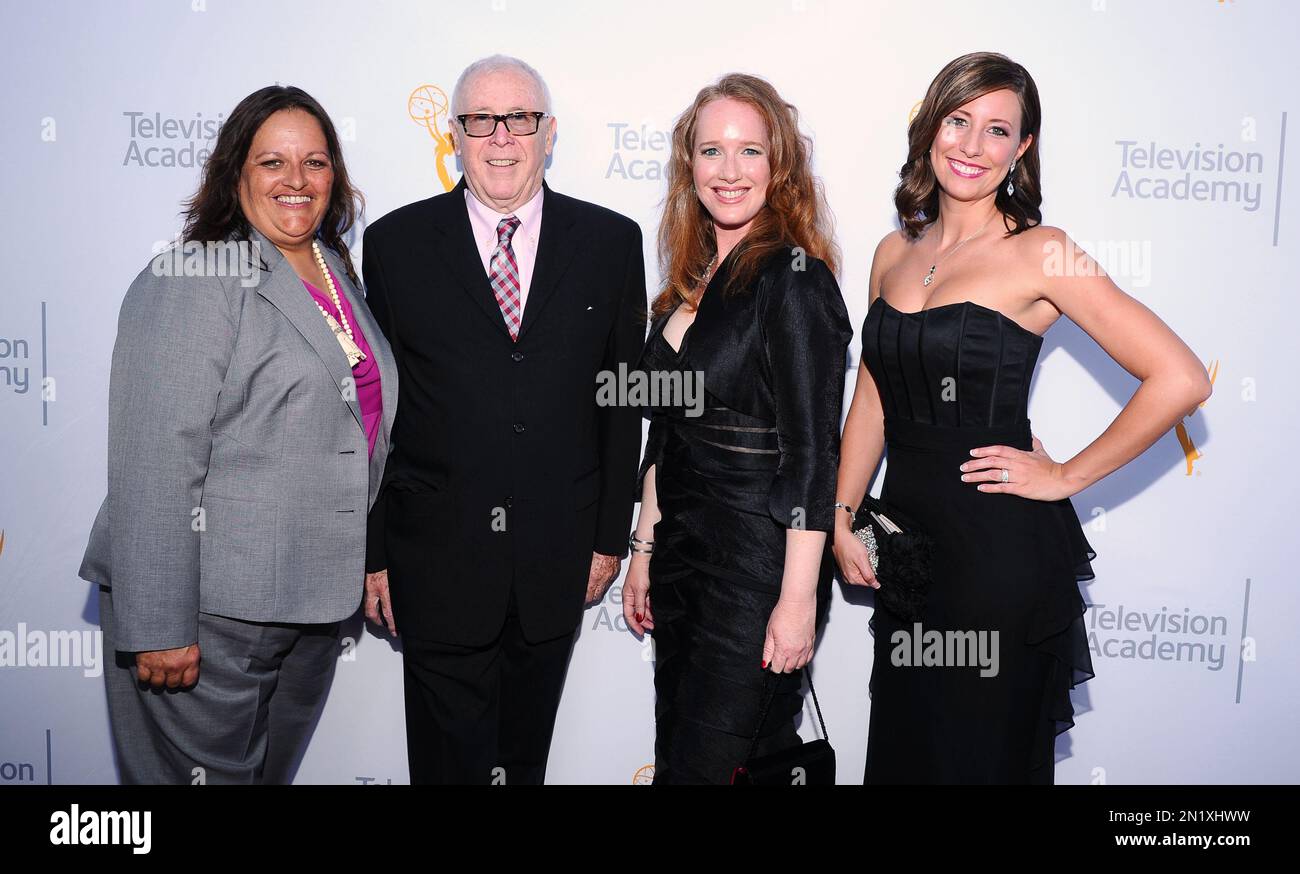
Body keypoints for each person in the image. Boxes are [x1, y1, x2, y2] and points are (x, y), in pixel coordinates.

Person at [832, 52, 1214, 784]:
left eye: (997, 130)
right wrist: (844, 511)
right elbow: (874, 397)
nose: (972, 147)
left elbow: (1182, 378)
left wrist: (1065, 474)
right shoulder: (891, 252)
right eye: (958, 121)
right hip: (907, 553)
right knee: (908, 753)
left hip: (997, 555)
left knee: (980, 758)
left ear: (1021, 149)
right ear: (931, 127)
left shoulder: (1040, 252)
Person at [79, 85, 396, 784]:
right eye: (271, 162)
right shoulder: (195, 274)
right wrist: (160, 624)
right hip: (209, 613)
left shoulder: (334, 269)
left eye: (315, 163)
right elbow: (157, 458)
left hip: (309, 607)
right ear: (234, 173)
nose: (296, 181)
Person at [360, 54, 646, 785]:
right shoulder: (394, 245)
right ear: (455, 133)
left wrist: (610, 538)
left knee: (523, 765)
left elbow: (622, 405)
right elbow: (373, 415)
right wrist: (375, 554)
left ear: (548, 133)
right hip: (434, 563)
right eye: (480, 120)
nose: (500, 137)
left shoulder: (611, 244)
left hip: (558, 558)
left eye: (518, 118)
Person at [622, 73, 852, 784]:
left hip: (757, 570)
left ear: (778, 166)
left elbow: (815, 454)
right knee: (683, 760)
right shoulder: (688, 279)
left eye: (750, 152)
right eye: (711, 151)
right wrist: (643, 548)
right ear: (688, 165)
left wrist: (795, 601)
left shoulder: (794, 279)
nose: (729, 171)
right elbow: (668, 430)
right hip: (684, 558)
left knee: (712, 768)